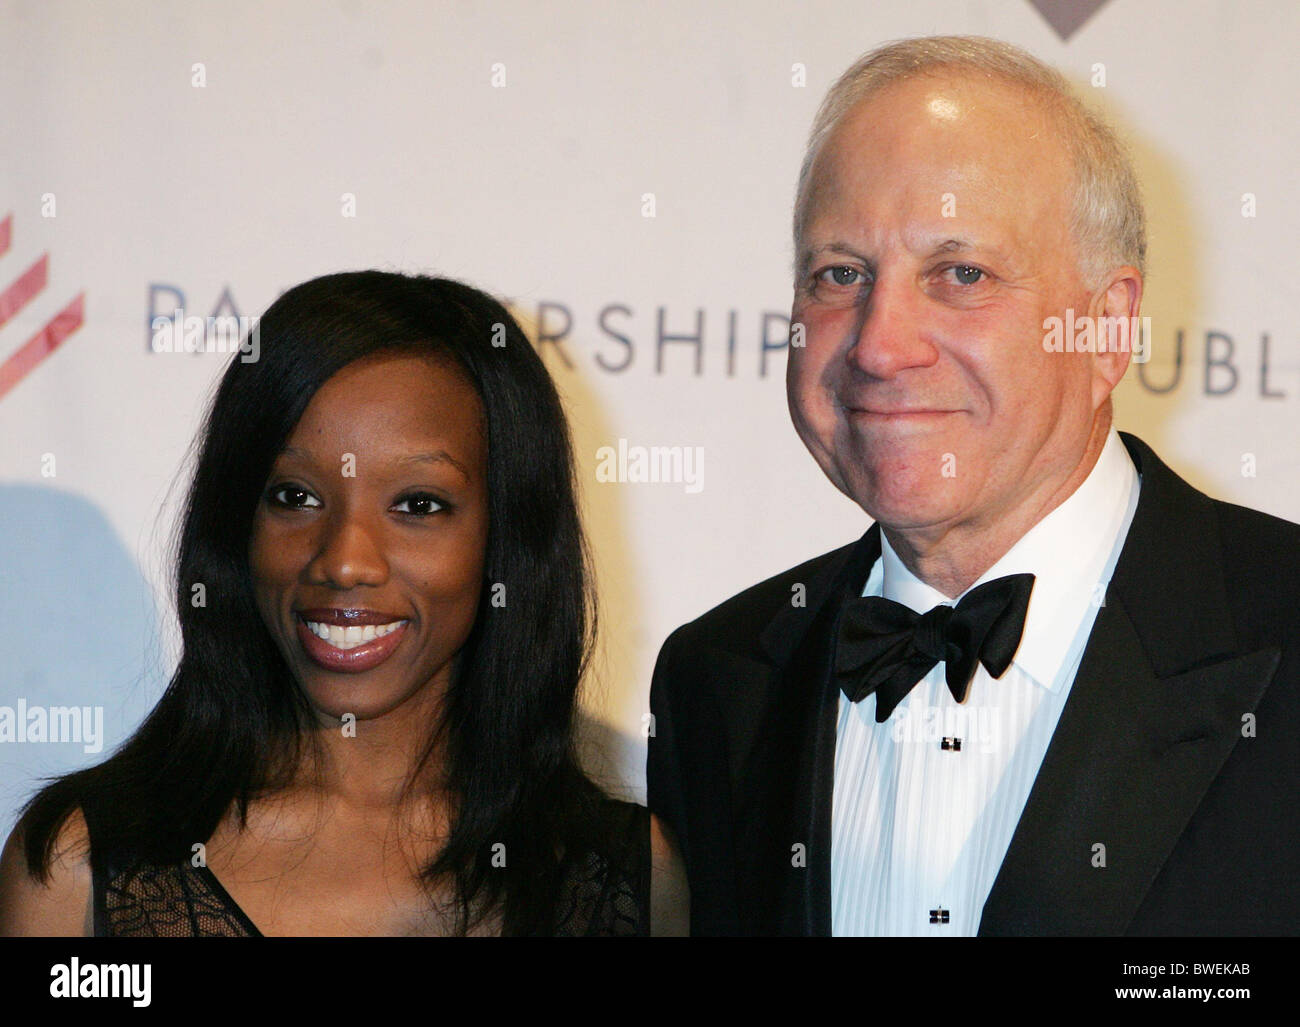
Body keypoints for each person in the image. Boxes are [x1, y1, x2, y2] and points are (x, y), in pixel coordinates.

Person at [647, 35, 1300, 936]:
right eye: (841, 274)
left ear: (1106, 329)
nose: (879, 345)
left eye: (961, 273)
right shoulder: (715, 681)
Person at [1, 270, 688, 937]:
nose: (344, 561)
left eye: (419, 505)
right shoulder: (81, 868)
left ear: (507, 538)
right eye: (294, 496)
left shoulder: (626, 881)